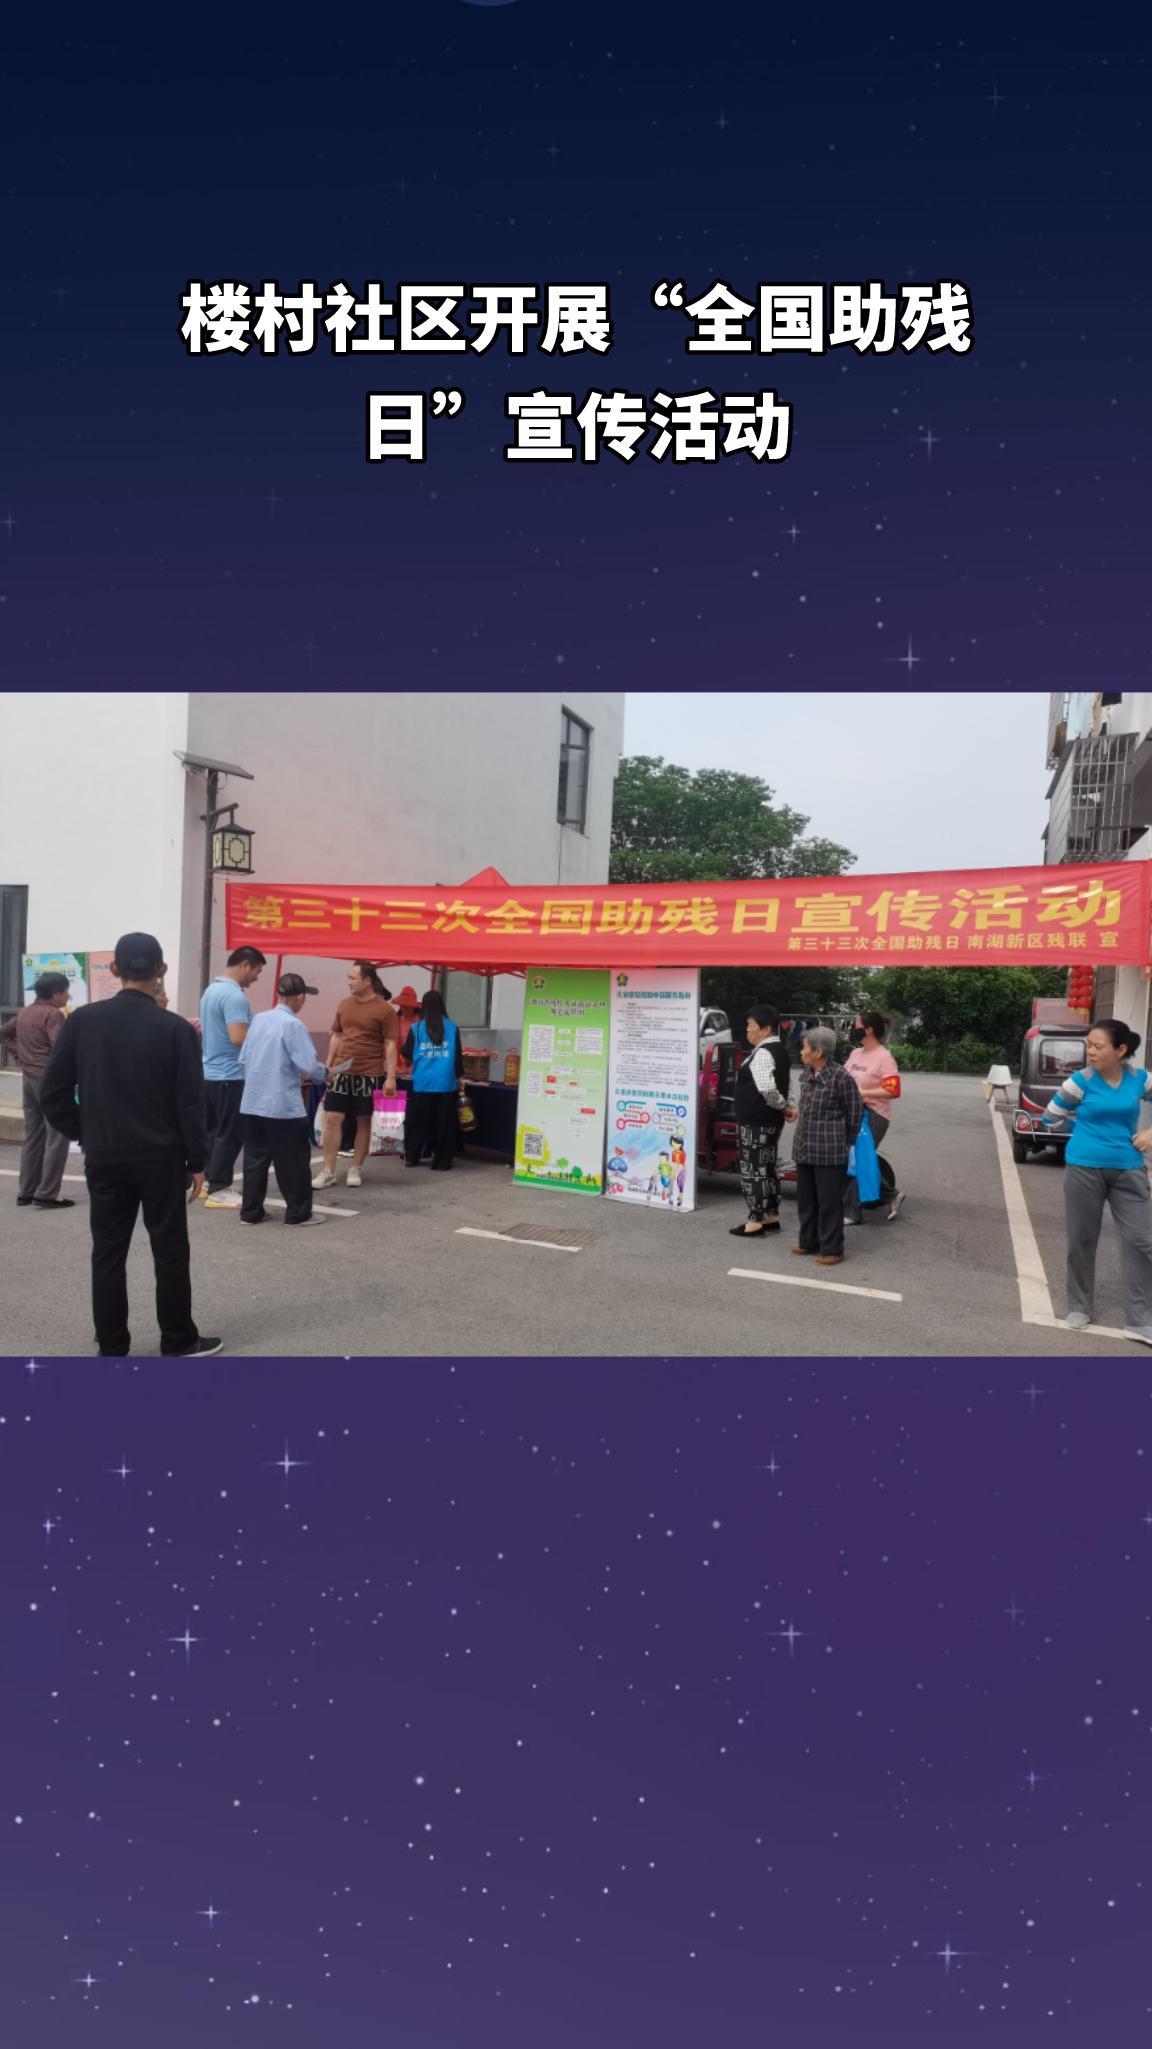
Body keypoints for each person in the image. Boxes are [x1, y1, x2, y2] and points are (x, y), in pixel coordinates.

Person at [38, 932, 221, 1358]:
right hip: (162, 1157)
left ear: (115, 969)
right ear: (161, 970)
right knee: (169, 1249)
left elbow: (52, 1092)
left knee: (108, 1250)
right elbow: (191, 1103)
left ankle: (112, 1344)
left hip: (105, 1153)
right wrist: (197, 1161)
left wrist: (86, 1131)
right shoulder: (176, 1029)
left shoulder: (82, 1021)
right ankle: (177, 1338)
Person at [1039, 1018, 1152, 1344]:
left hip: (1129, 1169)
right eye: (1088, 1045)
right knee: (1082, 1239)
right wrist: (1080, 1130)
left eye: (1098, 1046)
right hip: (1083, 1169)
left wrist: (1150, 1132)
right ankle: (1078, 1305)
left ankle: (1140, 1320)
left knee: (1141, 1242)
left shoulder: (1141, 1079)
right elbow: (1050, 1116)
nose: (1090, 1051)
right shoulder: (1080, 1081)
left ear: (1120, 1049)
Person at [238, 973, 331, 1228]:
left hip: (252, 1101)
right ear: (299, 997)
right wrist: (326, 1073)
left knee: (255, 1159)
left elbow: (243, 1058)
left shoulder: (258, 1019)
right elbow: (308, 1065)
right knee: (293, 1161)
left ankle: (251, 1212)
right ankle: (298, 1213)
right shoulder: (293, 1025)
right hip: (282, 1105)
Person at [313, 963, 398, 1188]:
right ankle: (328, 1170)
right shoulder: (344, 1005)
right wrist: (328, 1066)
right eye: (348, 977)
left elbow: (390, 1044)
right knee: (332, 1118)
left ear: (367, 980)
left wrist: (391, 1077)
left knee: (364, 1120)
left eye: (353, 978)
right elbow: (337, 1036)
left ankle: (355, 1167)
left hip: (369, 1073)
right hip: (341, 1072)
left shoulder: (385, 1010)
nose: (349, 982)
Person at [790, 1025, 864, 1265]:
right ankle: (808, 1241)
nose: (802, 1052)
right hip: (804, 1147)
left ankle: (832, 1248)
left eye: (805, 1047)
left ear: (818, 1051)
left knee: (829, 1202)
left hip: (829, 1150)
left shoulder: (841, 1077)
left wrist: (846, 1142)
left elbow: (855, 1112)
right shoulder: (808, 1073)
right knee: (806, 1199)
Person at [198, 945, 267, 1201]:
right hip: (230, 1075)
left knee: (214, 1132)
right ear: (245, 964)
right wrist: (264, 1036)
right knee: (230, 1134)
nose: (256, 977)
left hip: (210, 1074)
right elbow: (238, 1037)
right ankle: (219, 1187)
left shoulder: (211, 991)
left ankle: (208, 1180)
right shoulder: (234, 996)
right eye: (257, 971)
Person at [1, 970, 74, 1209]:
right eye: (65, 991)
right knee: (58, 1135)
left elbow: (4, 1033)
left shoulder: (25, 1012)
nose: (68, 995)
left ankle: (27, 1191)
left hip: (28, 1079)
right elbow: (60, 1048)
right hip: (49, 1081)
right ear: (55, 994)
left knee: (34, 1135)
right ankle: (47, 1193)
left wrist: (20, 1055)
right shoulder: (53, 1015)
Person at [730, 1004, 791, 1239]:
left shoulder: (764, 1053)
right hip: (768, 1120)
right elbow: (785, 1083)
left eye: (751, 1026)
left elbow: (767, 1088)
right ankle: (771, 1215)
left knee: (753, 1169)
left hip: (755, 1122)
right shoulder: (779, 1050)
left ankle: (755, 1220)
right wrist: (786, 1106)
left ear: (765, 1029)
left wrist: (783, 1106)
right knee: (767, 1167)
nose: (747, 1030)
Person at [844, 1009, 904, 1223]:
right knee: (858, 1158)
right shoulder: (855, 1054)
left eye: (856, 1026)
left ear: (868, 1030)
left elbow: (893, 1090)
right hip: (853, 1113)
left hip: (874, 1115)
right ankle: (890, 1194)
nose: (853, 1029)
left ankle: (852, 1212)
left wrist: (865, 1092)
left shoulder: (884, 1058)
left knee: (857, 1158)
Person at [403, 988, 464, 1170]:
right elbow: (457, 1057)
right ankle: (443, 1161)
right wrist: (459, 1076)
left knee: (417, 1122)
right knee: (445, 1124)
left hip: (422, 1082)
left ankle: (412, 1157)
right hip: (446, 1083)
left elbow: (406, 1052)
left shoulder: (416, 1028)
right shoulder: (452, 1027)